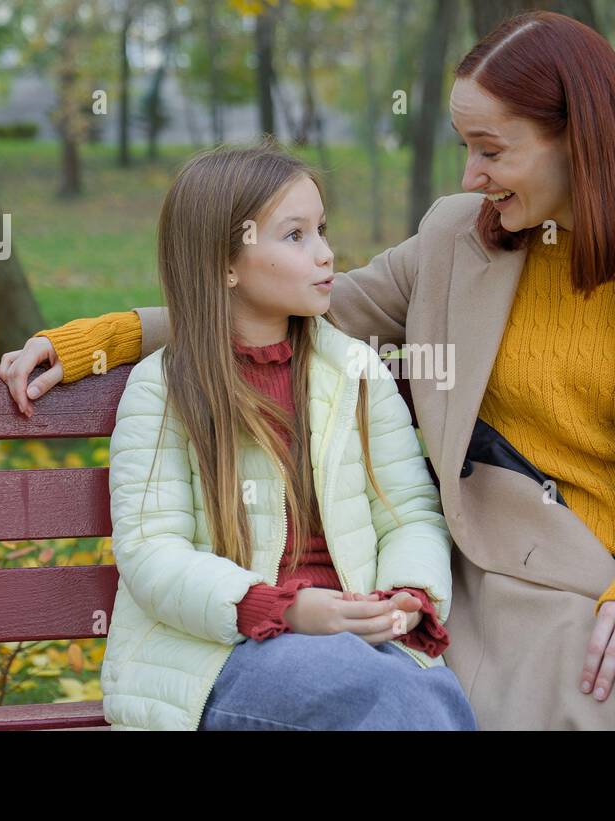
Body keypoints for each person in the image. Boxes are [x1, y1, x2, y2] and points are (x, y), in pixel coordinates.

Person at [1, 11, 615, 731]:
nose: (472, 173)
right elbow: (305, 302)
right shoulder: (454, 242)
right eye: (465, 146)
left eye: (492, 149)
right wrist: (109, 335)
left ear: (578, 138)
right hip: (528, 590)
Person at [92, 138, 476, 730]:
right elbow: (152, 552)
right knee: (399, 702)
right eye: (295, 236)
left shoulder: (355, 371)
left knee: (431, 697)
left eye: (322, 229)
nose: (326, 254)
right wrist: (281, 608)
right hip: (220, 655)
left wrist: (408, 595)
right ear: (225, 262)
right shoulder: (165, 388)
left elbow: (410, 514)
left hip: (358, 645)